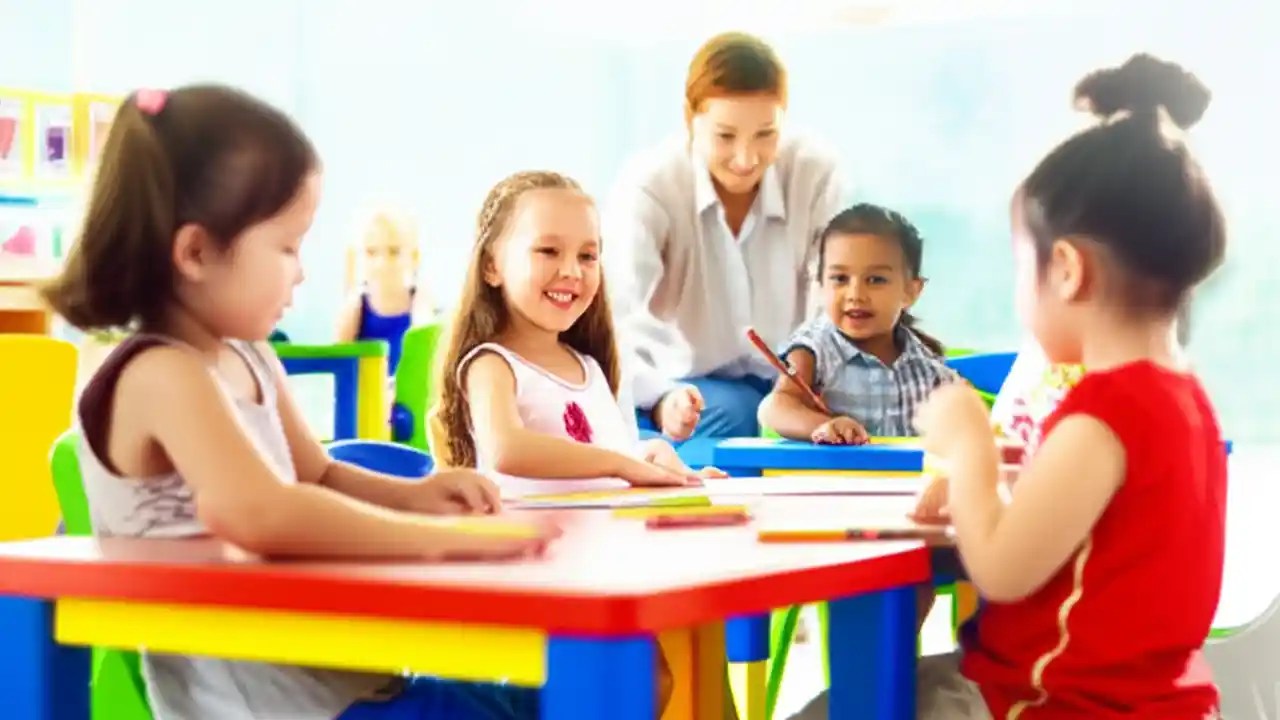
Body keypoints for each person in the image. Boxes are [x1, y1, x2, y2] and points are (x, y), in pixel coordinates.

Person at [41, 84, 554, 720]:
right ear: (196, 252)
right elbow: (258, 513)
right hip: (278, 710)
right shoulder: (159, 373)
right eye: (287, 247)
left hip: (352, 685)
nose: (303, 272)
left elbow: (316, 473)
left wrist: (419, 494)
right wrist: (432, 540)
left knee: (592, 692)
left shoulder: (250, 356)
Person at [792, 53, 1228, 719]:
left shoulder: (1104, 414)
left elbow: (999, 569)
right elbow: (1099, 544)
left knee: (845, 705)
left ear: (1067, 269)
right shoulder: (1184, 402)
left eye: (1019, 263)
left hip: (1046, 702)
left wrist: (970, 447)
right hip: (1144, 698)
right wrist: (988, 486)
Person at [604, 31, 847, 440]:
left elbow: (835, 291)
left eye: (766, 134)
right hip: (682, 389)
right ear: (689, 118)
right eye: (725, 136)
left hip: (792, 387)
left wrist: (804, 389)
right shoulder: (650, 187)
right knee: (722, 419)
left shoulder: (814, 173)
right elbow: (613, 316)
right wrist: (661, 397)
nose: (746, 159)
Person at [430, 170, 720, 500]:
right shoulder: (491, 365)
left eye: (587, 256)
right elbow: (506, 448)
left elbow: (601, 467)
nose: (571, 271)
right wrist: (620, 464)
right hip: (534, 546)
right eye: (548, 251)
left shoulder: (589, 367)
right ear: (491, 267)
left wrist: (653, 460)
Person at [335, 206, 438, 375]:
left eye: (394, 252)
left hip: (410, 395)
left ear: (414, 257)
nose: (382, 263)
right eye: (371, 252)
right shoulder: (356, 308)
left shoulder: (421, 303)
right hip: (367, 396)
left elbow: (425, 358)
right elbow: (339, 363)